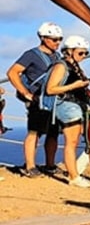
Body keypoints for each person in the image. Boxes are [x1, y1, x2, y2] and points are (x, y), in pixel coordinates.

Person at [44, 35, 90, 187]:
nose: (84, 56)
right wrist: (74, 86)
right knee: (72, 142)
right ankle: (74, 177)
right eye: (81, 53)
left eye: (85, 53)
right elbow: (50, 89)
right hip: (69, 107)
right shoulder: (61, 66)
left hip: (83, 106)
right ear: (69, 51)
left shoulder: (75, 66)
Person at [6, 21, 62, 177]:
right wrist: (25, 93)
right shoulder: (31, 54)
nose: (57, 42)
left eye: (59, 39)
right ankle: (30, 166)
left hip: (52, 99)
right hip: (37, 99)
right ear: (43, 38)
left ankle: (50, 165)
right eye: (54, 39)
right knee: (34, 132)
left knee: (53, 133)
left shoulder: (57, 56)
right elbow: (12, 72)